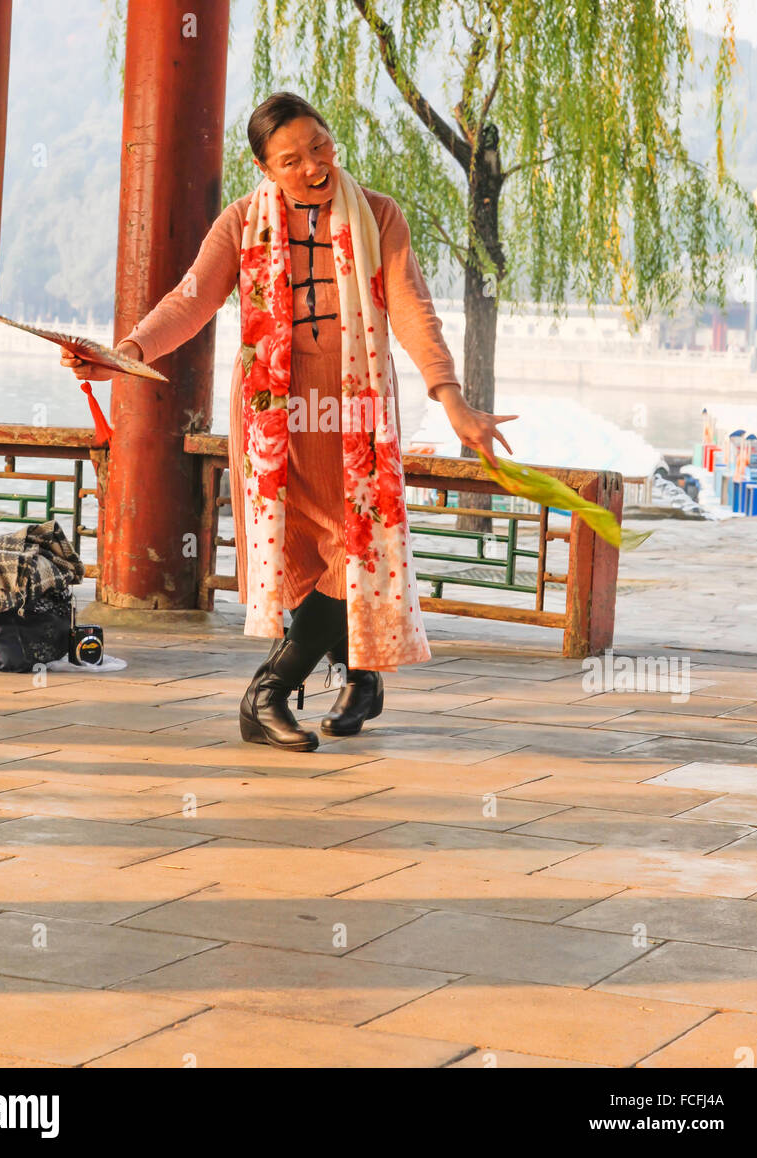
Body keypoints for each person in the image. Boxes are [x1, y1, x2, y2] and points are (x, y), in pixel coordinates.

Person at [62, 92, 516, 752]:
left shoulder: (378, 216)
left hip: (352, 419)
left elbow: (413, 309)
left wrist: (450, 398)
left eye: (321, 147)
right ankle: (361, 675)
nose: (314, 166)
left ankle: (266, 695)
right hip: (274, 422)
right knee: (300, 560)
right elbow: (190, 301)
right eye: (292, 158)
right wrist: (125, 353)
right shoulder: (242, 223)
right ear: (264, 168)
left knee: (353, 548)